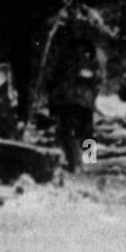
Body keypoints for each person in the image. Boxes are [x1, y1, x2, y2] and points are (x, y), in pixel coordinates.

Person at [49, 36, 102, 173]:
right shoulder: (86, 64)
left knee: (77, 133)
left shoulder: (75, 64)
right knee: (80, 133)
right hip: (76, 103)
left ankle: (79, 164)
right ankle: (81, 164)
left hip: (76, 103)